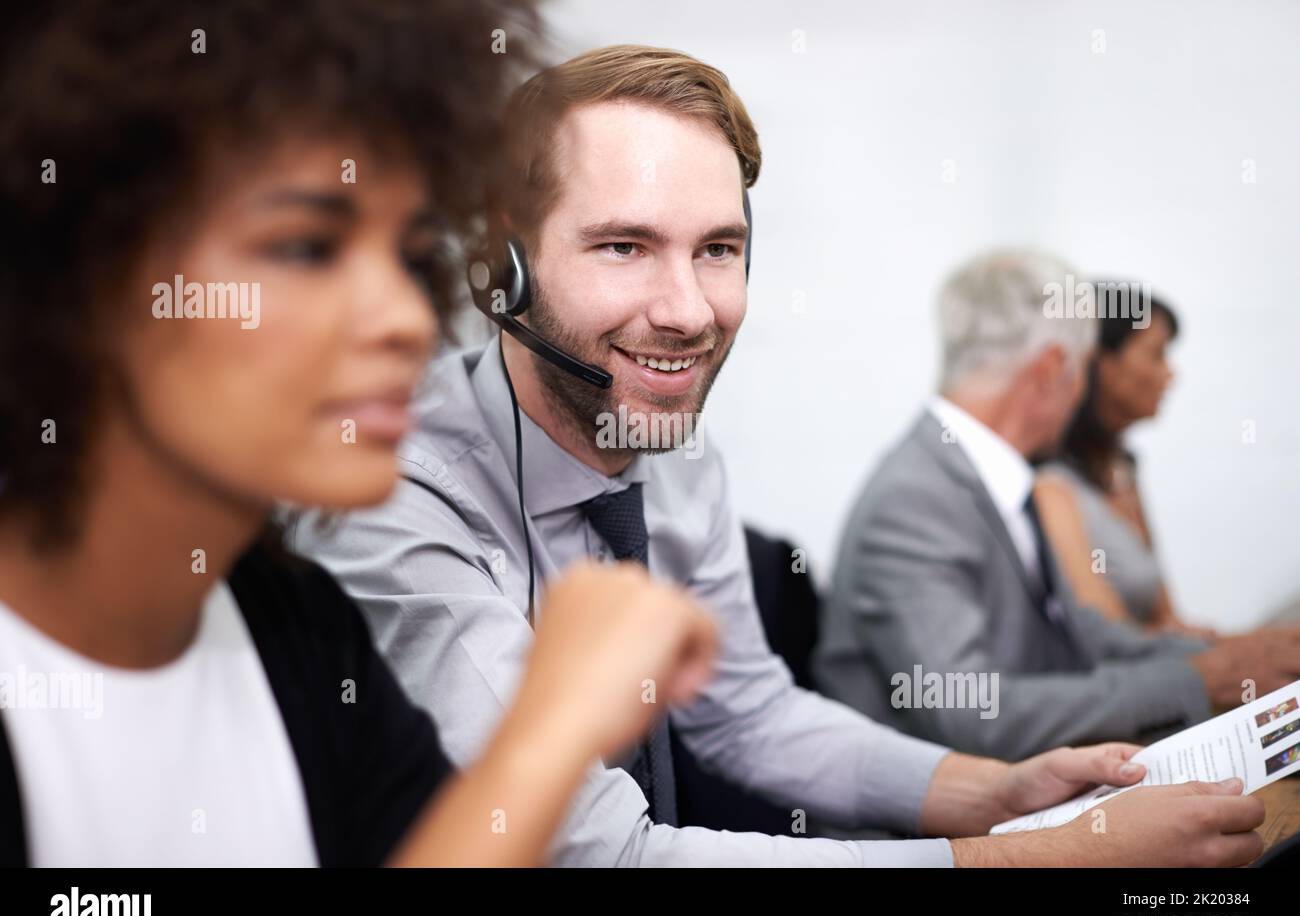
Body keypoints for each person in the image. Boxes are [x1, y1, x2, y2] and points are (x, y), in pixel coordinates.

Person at [294, 46, 1266, 867]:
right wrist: (1022, 856)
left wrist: (993, 792)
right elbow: (600, 854)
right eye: (624, 247)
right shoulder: (394, 490)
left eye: (716, 249)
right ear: (497, 272)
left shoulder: (667, 440)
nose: (686, 311)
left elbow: (747, 713)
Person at [0, 0, 719, 868]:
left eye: (414, 259)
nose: (408, 320)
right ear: (83, 273)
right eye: (306, 247)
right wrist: (554, 722)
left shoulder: (299, 628)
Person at [815, 250, 1300, 763]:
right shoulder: (915, 501)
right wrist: (1196, 680)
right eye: (1085, 369)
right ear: (1051, 369)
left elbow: (1082, 640)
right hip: (926, 826)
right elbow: (973, 714)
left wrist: (1230, 661)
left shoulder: (992, 480)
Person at [1034, 285, 1212, 634]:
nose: (1170, 374)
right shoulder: (1048, 484)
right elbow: (1110, 644)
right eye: (1156, 355)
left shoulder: (1122, 469)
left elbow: (1168, 621)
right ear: (1099, 363)